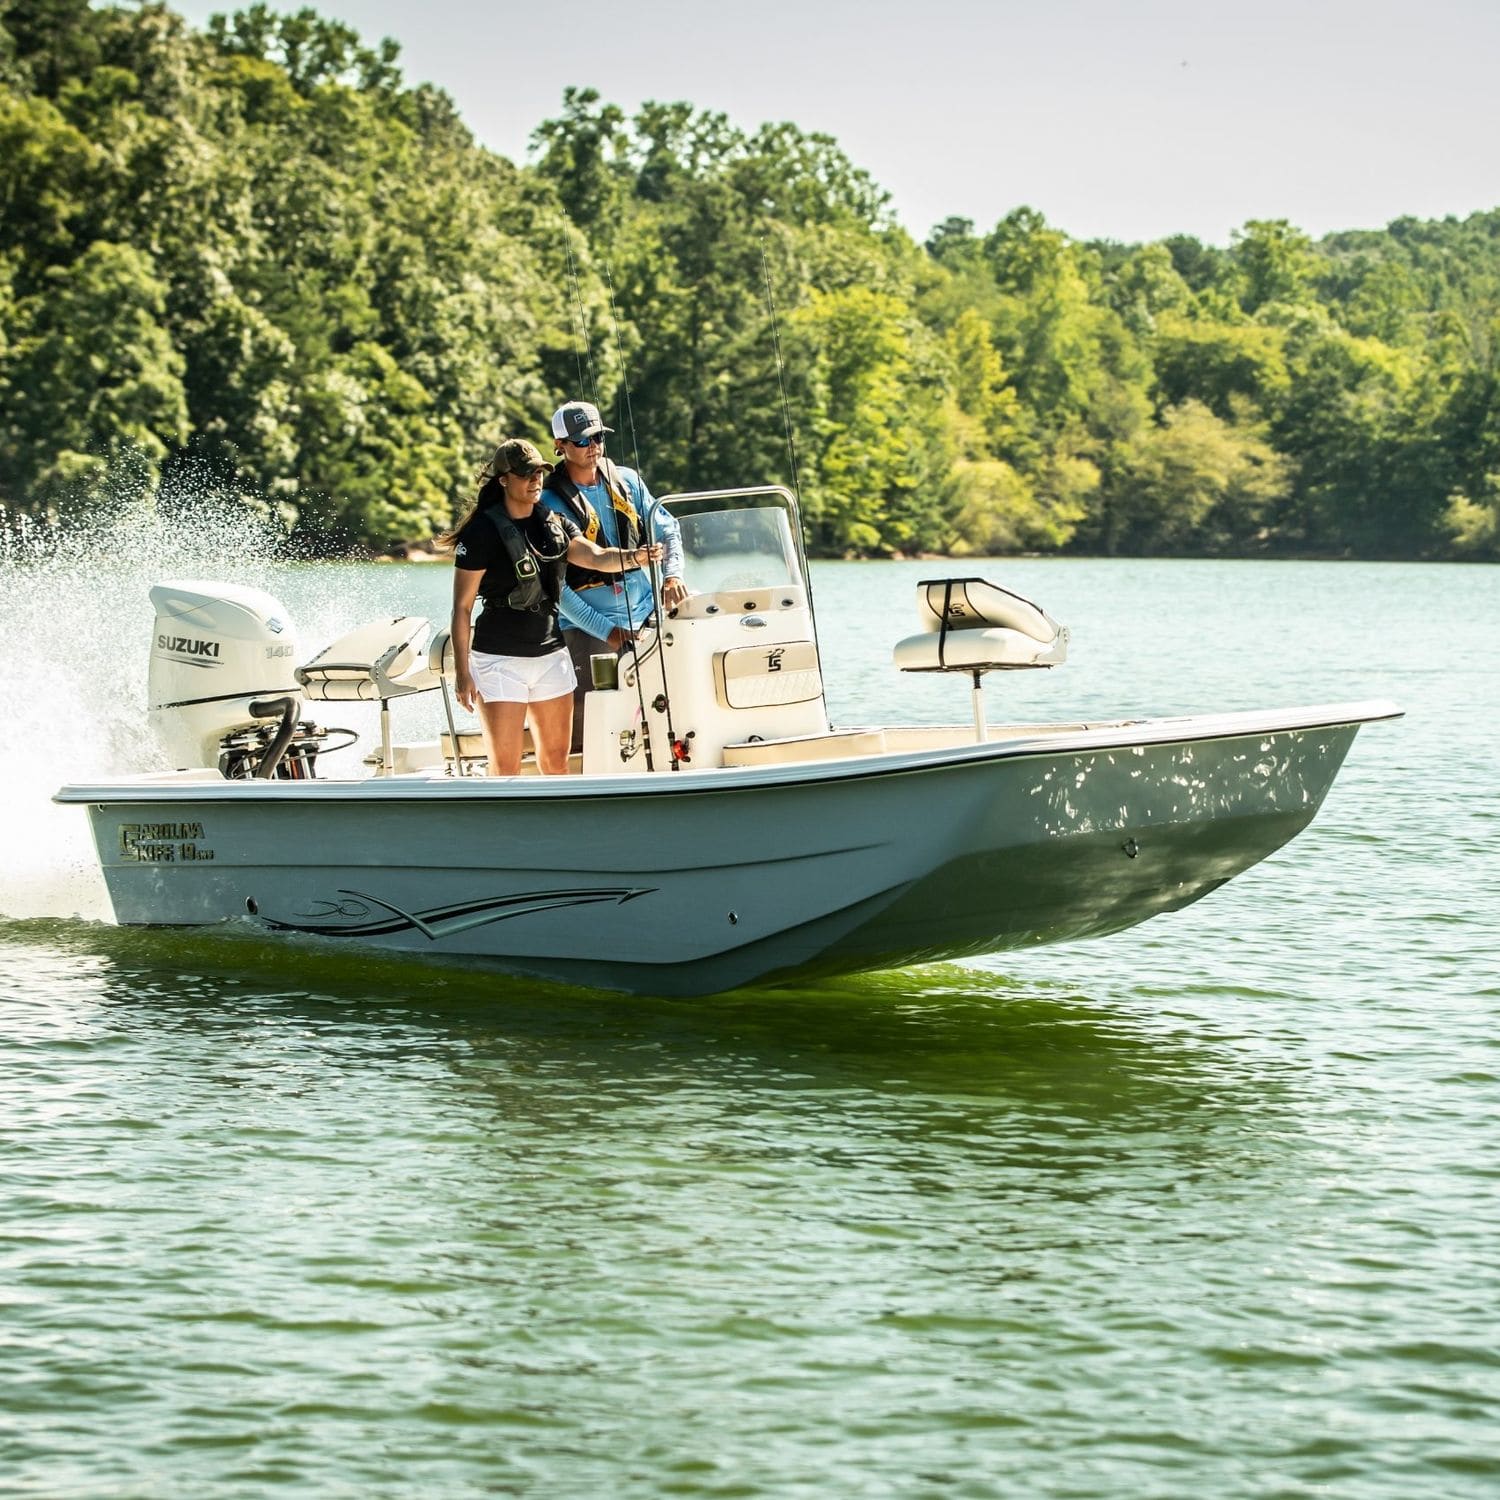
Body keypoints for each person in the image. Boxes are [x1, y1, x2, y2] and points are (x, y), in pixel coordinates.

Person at [443, 437, 661, 776]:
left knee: (557, 765)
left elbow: (595, 555)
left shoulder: (552, 521)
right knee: (506, 769)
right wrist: (462, 672)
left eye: (540, 473)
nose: (535, 481)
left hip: (551, 656)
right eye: (526, 474)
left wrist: (635, 557)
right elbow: (461, 608)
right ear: (504, 480)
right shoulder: (482, 532)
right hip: (499, 659)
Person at [539, 400, 688, 752]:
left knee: (671, 703)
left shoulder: (628, 481)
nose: (593, 447)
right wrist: (608, 632)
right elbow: (557, 590)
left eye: (598, 438)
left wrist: (672, 576)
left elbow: (668, 529)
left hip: (647, 619)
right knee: (590, 722)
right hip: (591, 629)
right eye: (582, 440)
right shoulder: (547, 503)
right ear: (559, 446)